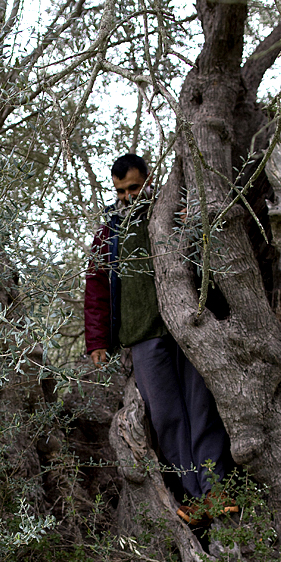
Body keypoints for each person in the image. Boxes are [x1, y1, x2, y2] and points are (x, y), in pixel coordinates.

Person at [84, 152, 234, 526]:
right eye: (120, 191)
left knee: (202, 406)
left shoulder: (169, 216)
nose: (127, 197)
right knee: (167, 417)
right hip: (141, 335)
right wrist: (97, 340)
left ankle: (216, 487)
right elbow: (97, 288)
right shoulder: (110, 234)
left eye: (134, 188)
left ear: (149, 181)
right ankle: (195, 496)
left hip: (186, 326)